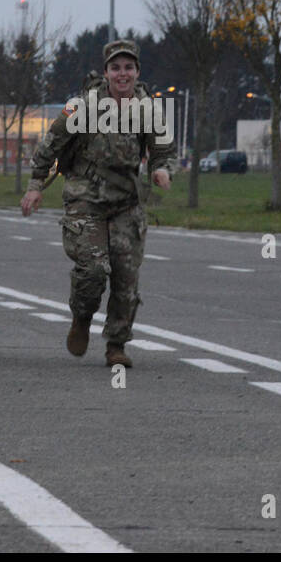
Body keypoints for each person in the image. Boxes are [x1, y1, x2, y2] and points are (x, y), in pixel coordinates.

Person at [19, 40, 174, 367]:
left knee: (125, 277)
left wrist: (161, 169)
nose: (123, 74)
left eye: (128, 68)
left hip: (126, 203)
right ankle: (82, 317)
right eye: (116, 68)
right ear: (106, 73)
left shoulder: (147, 108)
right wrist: (35, 186)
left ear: (137, 72)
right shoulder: (83, 106)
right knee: (93, 271)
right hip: (85, 198)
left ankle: (116, 344)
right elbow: (50, 146)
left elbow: (162, 149)